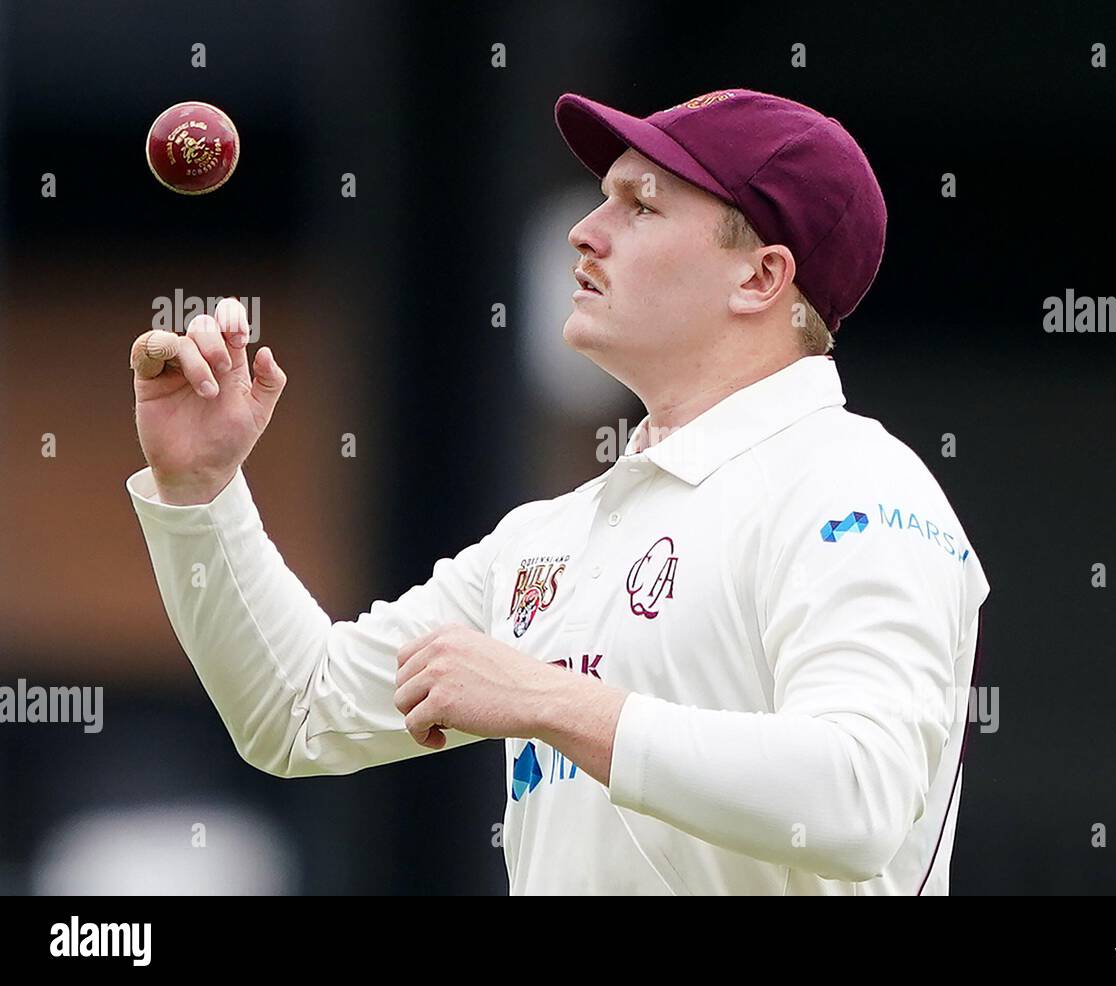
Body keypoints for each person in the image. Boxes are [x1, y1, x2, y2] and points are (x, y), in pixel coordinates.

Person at [127, 88, 991, 895]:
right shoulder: (558, 534)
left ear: (761, 278)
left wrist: (549, 701)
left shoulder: (857, 488)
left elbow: (859, 796)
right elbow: (298, 709)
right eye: (603, 196)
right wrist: (201, 490)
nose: (584, 230)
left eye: (641, 205)